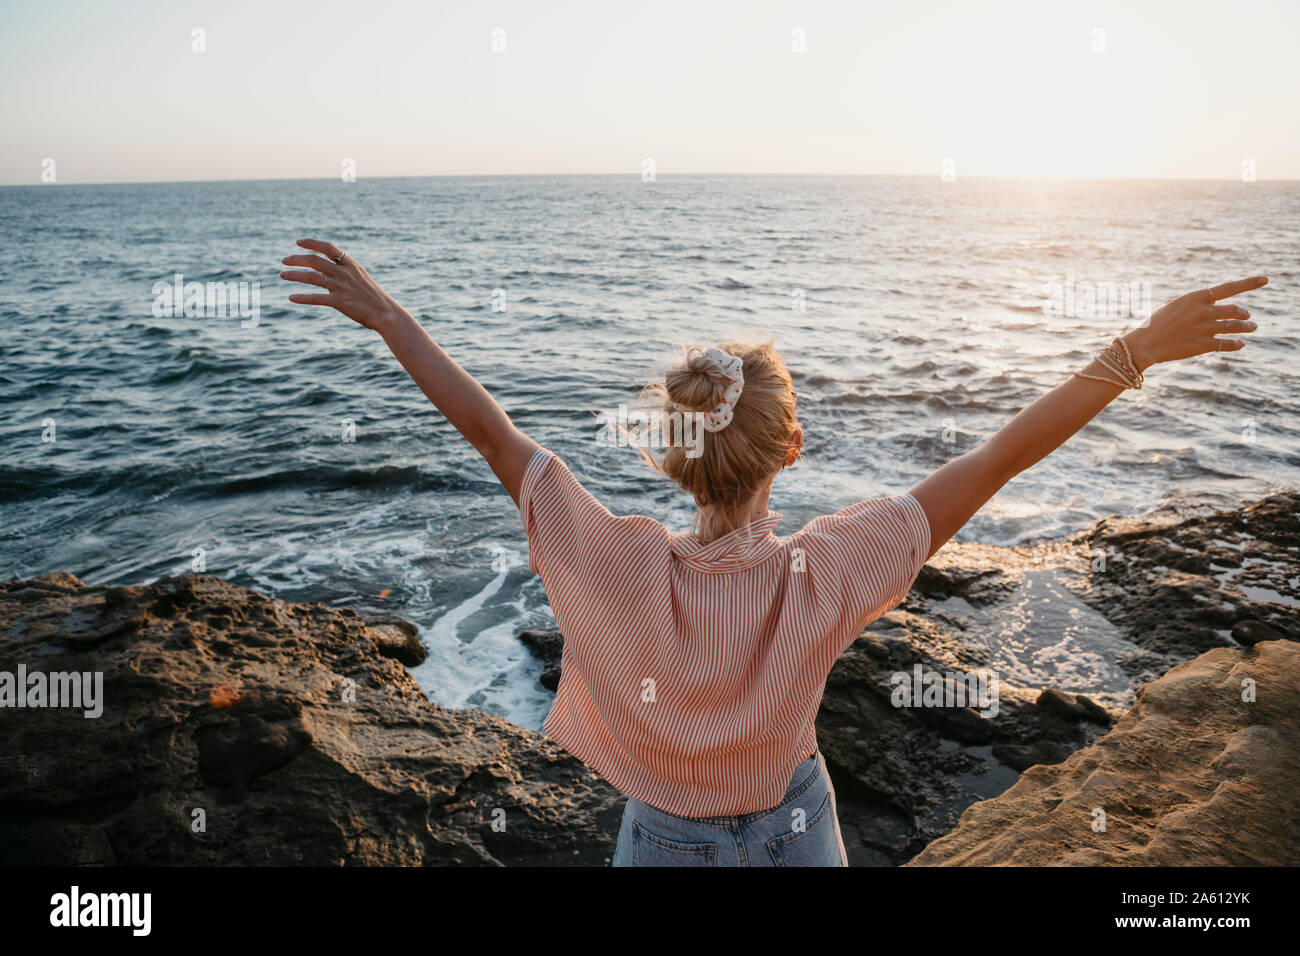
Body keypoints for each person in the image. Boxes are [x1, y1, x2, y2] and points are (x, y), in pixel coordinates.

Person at [280, 238, 1266, 866]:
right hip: (800, 829)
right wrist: (1133, 349)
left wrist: (389, 316)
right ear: (791, 448)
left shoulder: (613, 563)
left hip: (663, 840)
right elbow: (998, 453)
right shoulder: (832, 566)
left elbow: (493, 432)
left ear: (670, 459)